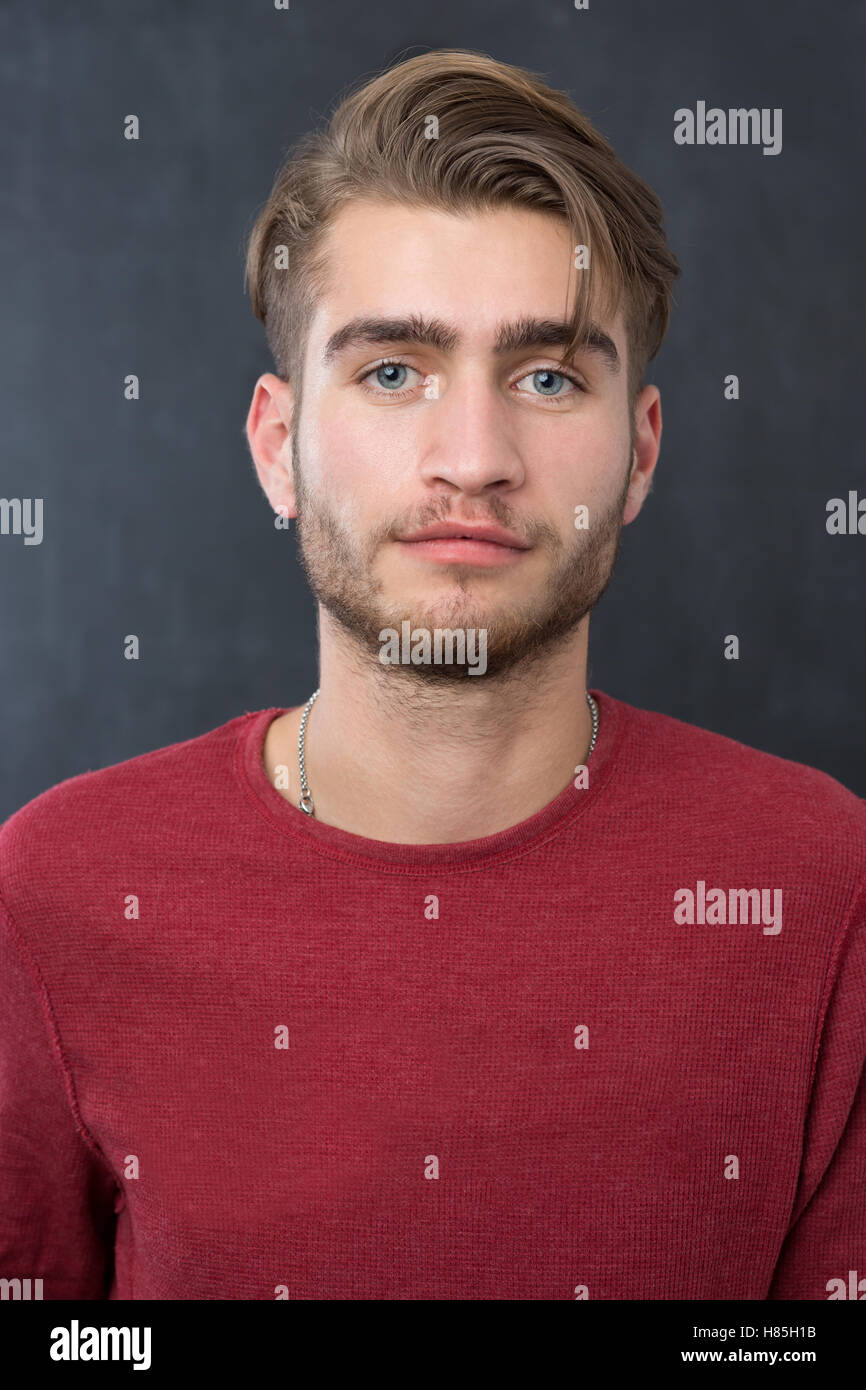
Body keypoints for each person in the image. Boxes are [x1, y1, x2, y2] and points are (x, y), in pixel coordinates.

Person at [1, 49, 863, 1302]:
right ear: (278, 445)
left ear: (637, 454)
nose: (473, 456)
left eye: (548, 374)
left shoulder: (820, 889)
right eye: (393, 370)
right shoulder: (55, 891)